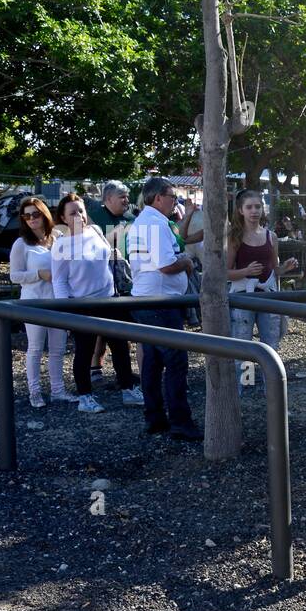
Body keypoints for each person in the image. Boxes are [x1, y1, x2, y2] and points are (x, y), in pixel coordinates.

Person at [52, 193, 142, 413]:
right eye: (73, 212)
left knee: (120, 346)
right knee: (84, 351)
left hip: (109, 299)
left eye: (81, 210)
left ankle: (128, 389)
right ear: (63, 218)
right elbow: (59, 281)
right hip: (82, 304)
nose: (79, 216)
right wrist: (66, 311)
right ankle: (85, 396)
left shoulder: (95, 231)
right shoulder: (62, 245)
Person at [126, 176, 201, 440]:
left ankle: (155, 417)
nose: (175, 201)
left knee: (153, 363)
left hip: (149, 299)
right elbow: (166, 265)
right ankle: (180, 421)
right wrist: (187, 261)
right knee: (175, 361)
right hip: (159, 302)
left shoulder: (145, 221)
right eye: (172, 196)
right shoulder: (155, 224)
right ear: (158, 197)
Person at [226, 189, 300, 394]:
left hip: (268, 296)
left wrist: (285, 268)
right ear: (240, 210)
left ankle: (273, 394)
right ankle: (242, 390)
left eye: (257, 206)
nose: (254, 211)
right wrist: (245, 271)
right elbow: (224, 272)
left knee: (271, 346)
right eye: (249, 207)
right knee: (243, 345)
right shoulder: (234, 237)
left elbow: (273, 270)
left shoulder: (271, 236)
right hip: (243, 298)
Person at [8, 197, 75, 409]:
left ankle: (58, 390)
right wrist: (38, 274)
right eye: (26, 216)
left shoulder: (58, 237)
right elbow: (14, 276)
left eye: (35, 214)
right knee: (35, 348)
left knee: (58, 348)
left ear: (44, 214)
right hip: (34, 302)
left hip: (58, 300)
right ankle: (34, 391)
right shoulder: (21, 244)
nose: (31, 219)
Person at [88, 181, 137, 386]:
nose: (126, 200)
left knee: (121, 329)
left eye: (127, 196)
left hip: (124, 279)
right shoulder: (93, 218)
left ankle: (123, 373)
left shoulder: (131, 218)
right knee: (99, 328)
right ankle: (94, 367)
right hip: (101, 279)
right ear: (108, 199)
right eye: (122, 196)